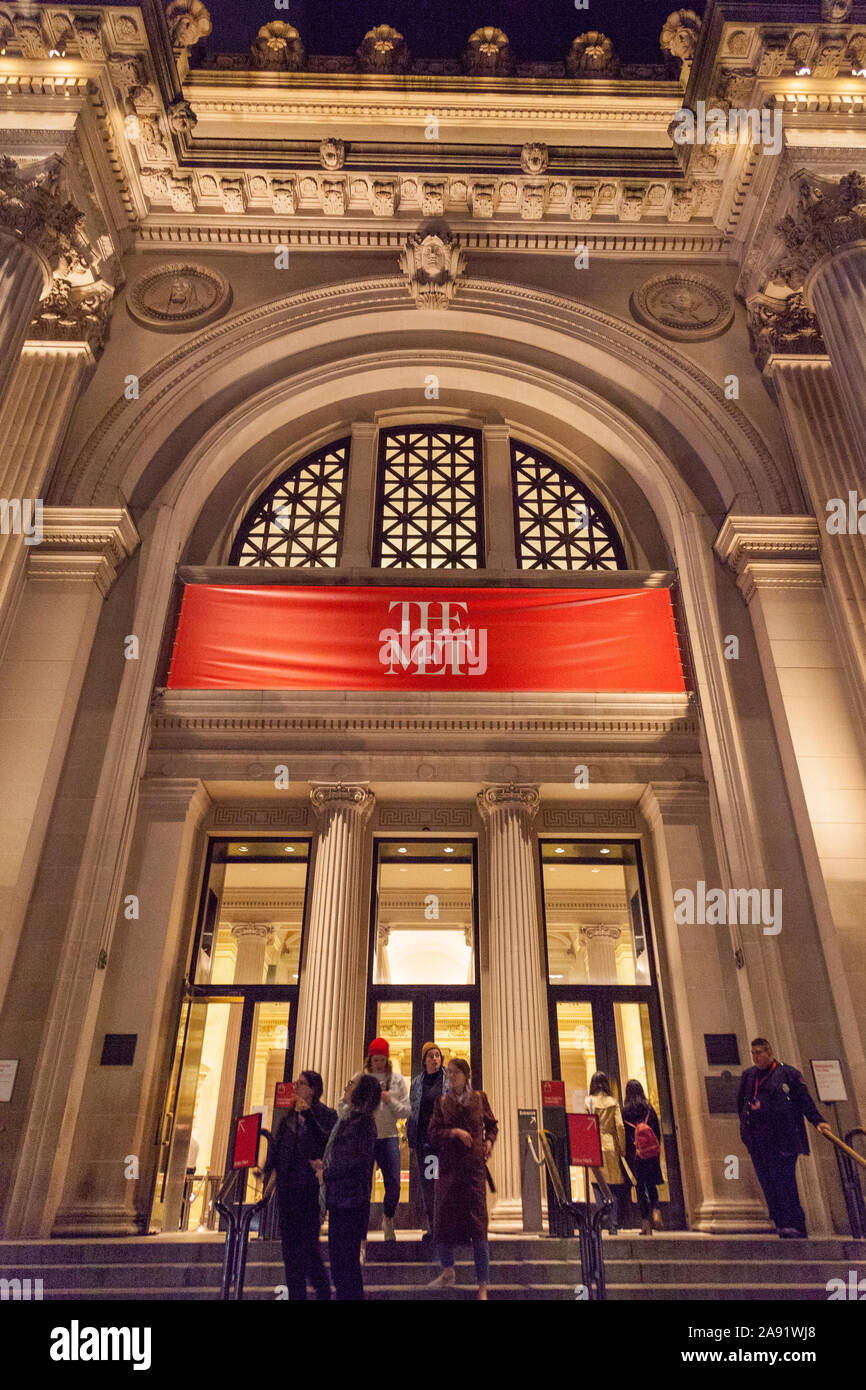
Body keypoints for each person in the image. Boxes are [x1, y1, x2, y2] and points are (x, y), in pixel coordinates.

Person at [737, 1037, 832, 1238]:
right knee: (767, 1181)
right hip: (758, 1140)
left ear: (769, 1053)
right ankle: (779, 1221)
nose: (756, 1057)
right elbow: (741, 1104)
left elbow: (804, 1101)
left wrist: (818, 1121)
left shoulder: (788, 1074)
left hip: (783, 1139)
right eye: (753, 1053)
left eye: (759, 1052)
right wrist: (745, 1133)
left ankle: (795, 1223)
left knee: (784, 1181)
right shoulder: (748, 1076)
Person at [426, 1058, 498, 1300]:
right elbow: (433, 1134)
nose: (451, 1076)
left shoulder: (479, 1098)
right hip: (448, 1169)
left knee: (478, 1225)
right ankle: (447, 1270)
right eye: (450, 1073)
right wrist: (455, 1132)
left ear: (466, 1075)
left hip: (473, 1170)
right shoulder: (442, 1102)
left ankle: (483, 1286)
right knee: (442, 1220)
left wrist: (488, 1142)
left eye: (456, 1072)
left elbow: (492, 1125)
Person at [263, 1070, 337, 1300]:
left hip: (309, 1191)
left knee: (308, 1249)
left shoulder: (326, 1115)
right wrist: (266, 1171)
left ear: (313, 1089)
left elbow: (327, 1142)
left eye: (302, 1084)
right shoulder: (289, 1117)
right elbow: (279, 1147)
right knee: (290, 1252)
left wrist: (310, 1116)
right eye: (296, 1083)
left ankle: (323, 1293)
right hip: (287, 1190)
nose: (295, 1087)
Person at [340, 1037, 410, 1240]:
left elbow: (406, 1111)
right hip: (364, 1138)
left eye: (382, 1059)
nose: (378, 1063)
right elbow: (343, 1105)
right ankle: (360, 1232)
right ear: (369, 1060)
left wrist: (390, 1101)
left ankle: (388, 1218)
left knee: (394, 1184)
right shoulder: (359, 1078)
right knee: (363, 1186)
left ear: (387, 1060)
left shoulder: (396, 1080)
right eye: (375, 1059)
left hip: (388, 1137)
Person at [322, 1073, 380, 1300]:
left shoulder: (364, 1122)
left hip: (352, 1202)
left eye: (350, 1084)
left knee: (346, 1267)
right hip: (340, 1199)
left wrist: (326, 1173)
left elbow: (357, 1162)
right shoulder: (346, 1120)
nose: (345, 1087)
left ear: (361, 1092)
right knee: (339, 1266)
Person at [406, 1041, 449, 1246]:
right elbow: (411, 1109)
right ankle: (434, 1227)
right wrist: (411, 1135)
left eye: (437, 1055)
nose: (434, 1059)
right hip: (425, 1142)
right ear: (424, 1061)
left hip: (444, 1142)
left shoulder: (449, 1079)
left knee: (445, 1184)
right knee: (429, 1186)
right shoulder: (416, 1082)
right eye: (430, 1056)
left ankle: (447, 1227)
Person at [585, 1072, 627, 1234]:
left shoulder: (588, 1102)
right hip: (611, 1145)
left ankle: (602, 1217)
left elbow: (585, 1125)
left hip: (595, 1144)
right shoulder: (613, 1102)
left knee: (597, 1183)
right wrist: (622, 1148)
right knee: (613, 1186)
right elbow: (620, 1127)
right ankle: (613, 1222)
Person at [622, 1079, 664, 1236]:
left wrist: (627, 1153)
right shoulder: (649, 1109)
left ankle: (645, 1224)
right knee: (652, 1185)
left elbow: (624, 1134)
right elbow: (657, 1131)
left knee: (640, 1188)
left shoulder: (625, 1111)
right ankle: (656, 1209)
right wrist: (656, 1149)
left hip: (636, 1155)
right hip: (651, 1154)